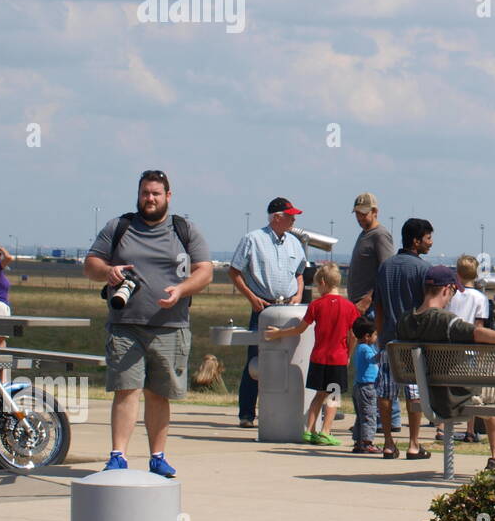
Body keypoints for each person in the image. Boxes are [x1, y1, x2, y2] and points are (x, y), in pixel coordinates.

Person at [83, 170, 213, 476]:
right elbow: (91, 264)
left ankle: (158, 456)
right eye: (144, 193)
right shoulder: (119, 226)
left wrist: (182, 290)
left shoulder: (184, 230)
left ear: (168, 196)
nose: (149, 199)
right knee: (126, 389)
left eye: (155, 193)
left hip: (170, 326)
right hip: (126, 324)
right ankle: (118, 457)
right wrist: (108, 272)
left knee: (158, 393)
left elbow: (204, 271)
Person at [396, 265, 495, 470]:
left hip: (429, 397)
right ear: (446, 289)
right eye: (452, 292)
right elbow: (478, 333)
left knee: (490, 381)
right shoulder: (443, 320)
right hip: (459, 397)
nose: (451, 297)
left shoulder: (405, 321)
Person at [228, 198, 307, 427]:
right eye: (290, 215)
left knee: (290, 359)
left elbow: (300, 274)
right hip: (263, 308)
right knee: (256, 360)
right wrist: (251, 297)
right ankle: (246, 413)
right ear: (277, 217)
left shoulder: (294, 243)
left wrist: (299, 294)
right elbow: (234, 271)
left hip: (289, 309)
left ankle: (283, 410)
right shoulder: (253, 240)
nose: (294, 219)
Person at [264, 262, 357, 446]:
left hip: (318, 357)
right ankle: (326, 431)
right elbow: (353, 335)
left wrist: (279, 333)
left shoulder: (316, 305)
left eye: (316, 285)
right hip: (338, 358)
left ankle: (310, 430)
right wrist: (349, 355)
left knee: (318, 395)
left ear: (323, 282)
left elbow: (299, 329)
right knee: (333, 396)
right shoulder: (349, 307)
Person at [374, 218, 434, 460]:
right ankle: (413, 443)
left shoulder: (385, 267)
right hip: (414, 342)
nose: (430, 243)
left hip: (389, 340)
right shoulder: (422, 269)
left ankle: (388, 442)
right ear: (416, 240)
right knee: (414, 392)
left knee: (386, 392)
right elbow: (427, 306)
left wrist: (380, 337)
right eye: (428, 238)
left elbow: (377, 306)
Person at [346, 193, 395, 439]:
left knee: (376, 364)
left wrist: (369, 299)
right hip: (359, 307)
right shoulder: (364, 234)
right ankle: (370, 416)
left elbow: (386, 271)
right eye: (357, 213)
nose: (360, 218)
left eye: (364, 214)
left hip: (372, 308)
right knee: (366, 363)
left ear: (375, 212)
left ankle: (383, 418)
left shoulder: (380, 235)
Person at [449, 254, 490, 443]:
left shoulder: (450, 294)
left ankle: (443, 426)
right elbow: (479, 327)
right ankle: (470, 429)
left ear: (457, 273)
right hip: (470, 347)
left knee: (446, 387)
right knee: (471, 390)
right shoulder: (480, 298)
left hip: (449, 347)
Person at [350, 316, 381, 455]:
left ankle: (359, 442)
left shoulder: (359, 347)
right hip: (367, 386)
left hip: (358, 385)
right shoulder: (366, 348)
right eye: (375, 334)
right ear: (367, 336)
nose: (376, 337)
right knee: (370, 414)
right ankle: (368, 443)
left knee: (361, 416)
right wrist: (383, 353)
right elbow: (372, 359)